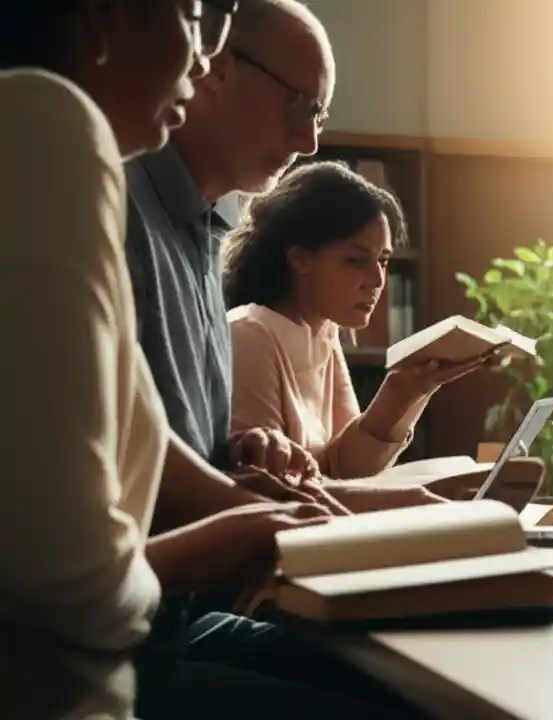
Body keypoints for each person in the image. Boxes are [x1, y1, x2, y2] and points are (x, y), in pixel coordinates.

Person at [0, 1, 324, 717]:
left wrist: (279, 520)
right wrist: (228, 542)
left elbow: (149, 435)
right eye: (192, 16)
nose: (203, 58)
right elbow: (69, 588)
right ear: (103, 20)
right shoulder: (44, 118)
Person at [124, 0, 434, 519]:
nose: (310, 140)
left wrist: (247, 456)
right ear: (216, 67)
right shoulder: (118, 204)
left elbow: (197, 464)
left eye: (319, 116)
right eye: (301, 106)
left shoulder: (205, 235)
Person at [223, 161, 486, 479]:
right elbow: (270, 488)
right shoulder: (249, 335)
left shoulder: (323, 332)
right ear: (300, 257)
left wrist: (405, 390)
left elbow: (345, 469)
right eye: (355, 260)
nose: (377, 280)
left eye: (384, 261)